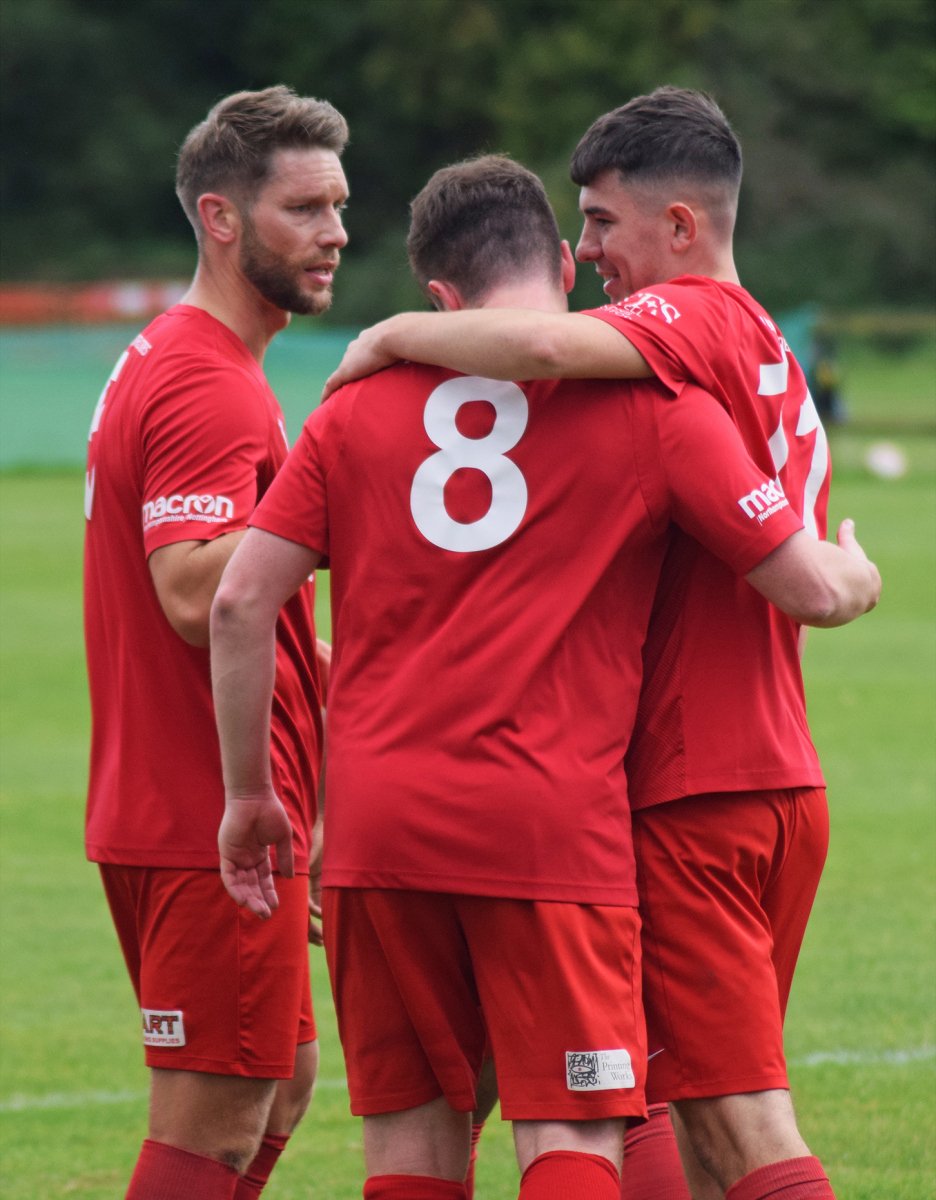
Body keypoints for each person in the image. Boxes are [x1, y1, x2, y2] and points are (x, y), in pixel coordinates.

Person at [209, 155, 878, 1200]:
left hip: (379, 830)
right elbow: (800, 581)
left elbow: (239, 604)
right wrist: (850, 567)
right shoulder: (653, 403)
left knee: (413, 1146)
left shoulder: (349, 411)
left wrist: (254, 794)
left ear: (439, 299)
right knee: (573, 1130)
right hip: (552, 822)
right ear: (567, 265)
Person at [83, 85, 349, 1200]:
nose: (336, 232)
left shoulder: (192, 357)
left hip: (197, 801)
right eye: (303, 208)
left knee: (280, 1081)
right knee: (217, 1121)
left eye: (340, 205)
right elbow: (198, 593)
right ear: (222, 219)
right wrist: (343, 499)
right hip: (203, 812)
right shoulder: (204, 380)